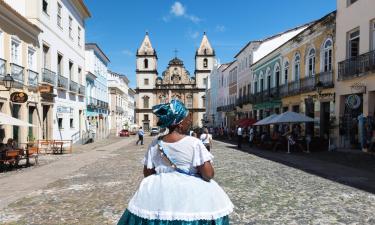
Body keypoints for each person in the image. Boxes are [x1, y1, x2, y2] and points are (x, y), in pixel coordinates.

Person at [117, 99, 233, 225]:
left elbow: (147, 173)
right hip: (191, 195)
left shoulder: (155, 143)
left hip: (159, 193)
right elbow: (208, 174)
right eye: (188, 118)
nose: (190, 121)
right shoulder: (194, 143)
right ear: (180, 123)